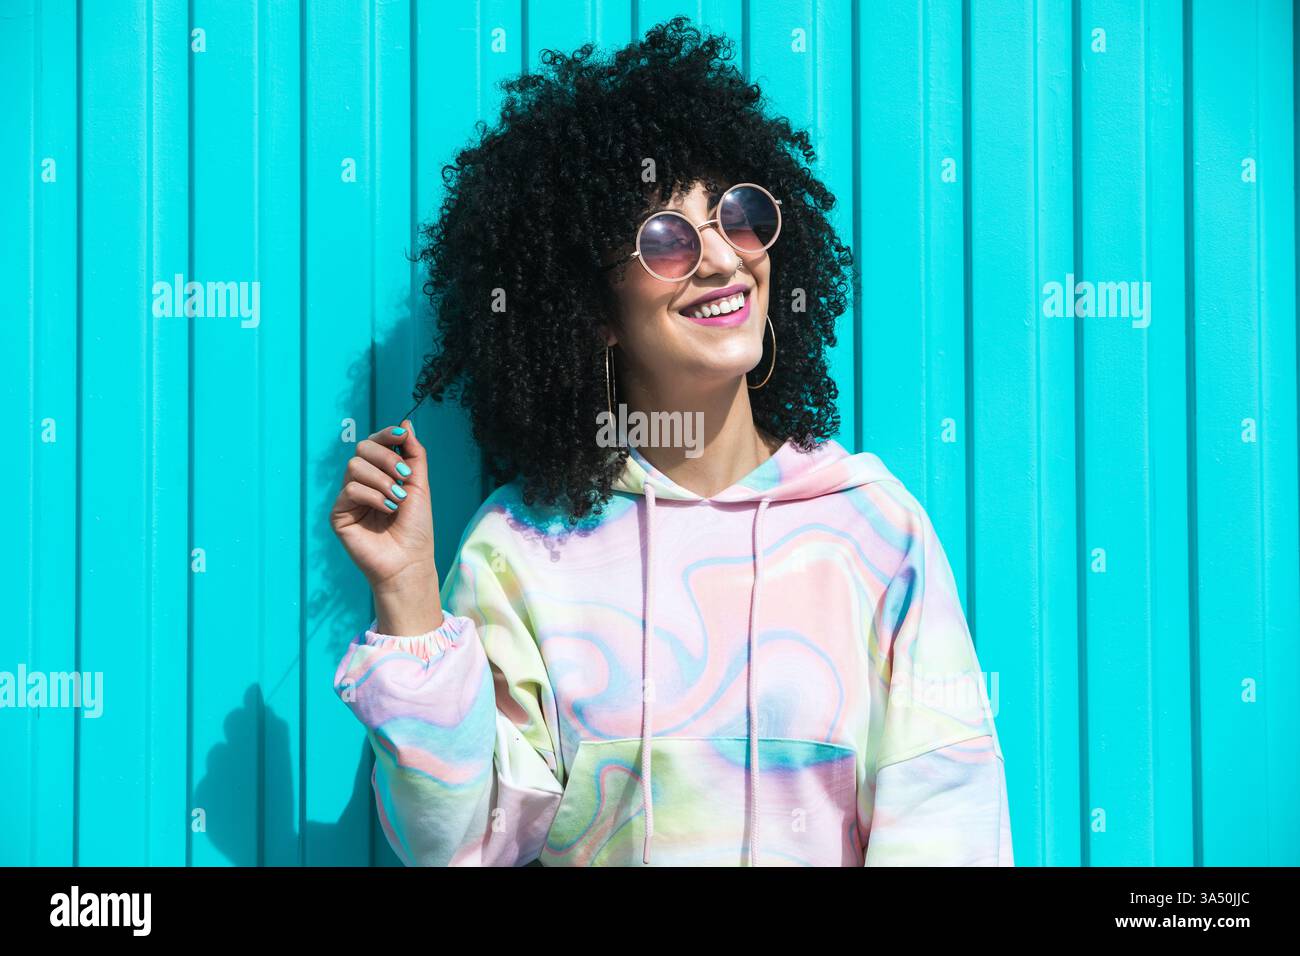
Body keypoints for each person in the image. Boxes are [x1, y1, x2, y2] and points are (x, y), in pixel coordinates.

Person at [329, 17, 1012, 867]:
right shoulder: (521, 550)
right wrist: (407, 598)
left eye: (739, 216)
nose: (722, 260)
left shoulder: (873, 531)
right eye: (665, 239)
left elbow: (948, 823)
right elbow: (459, 840)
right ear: (596, 312)